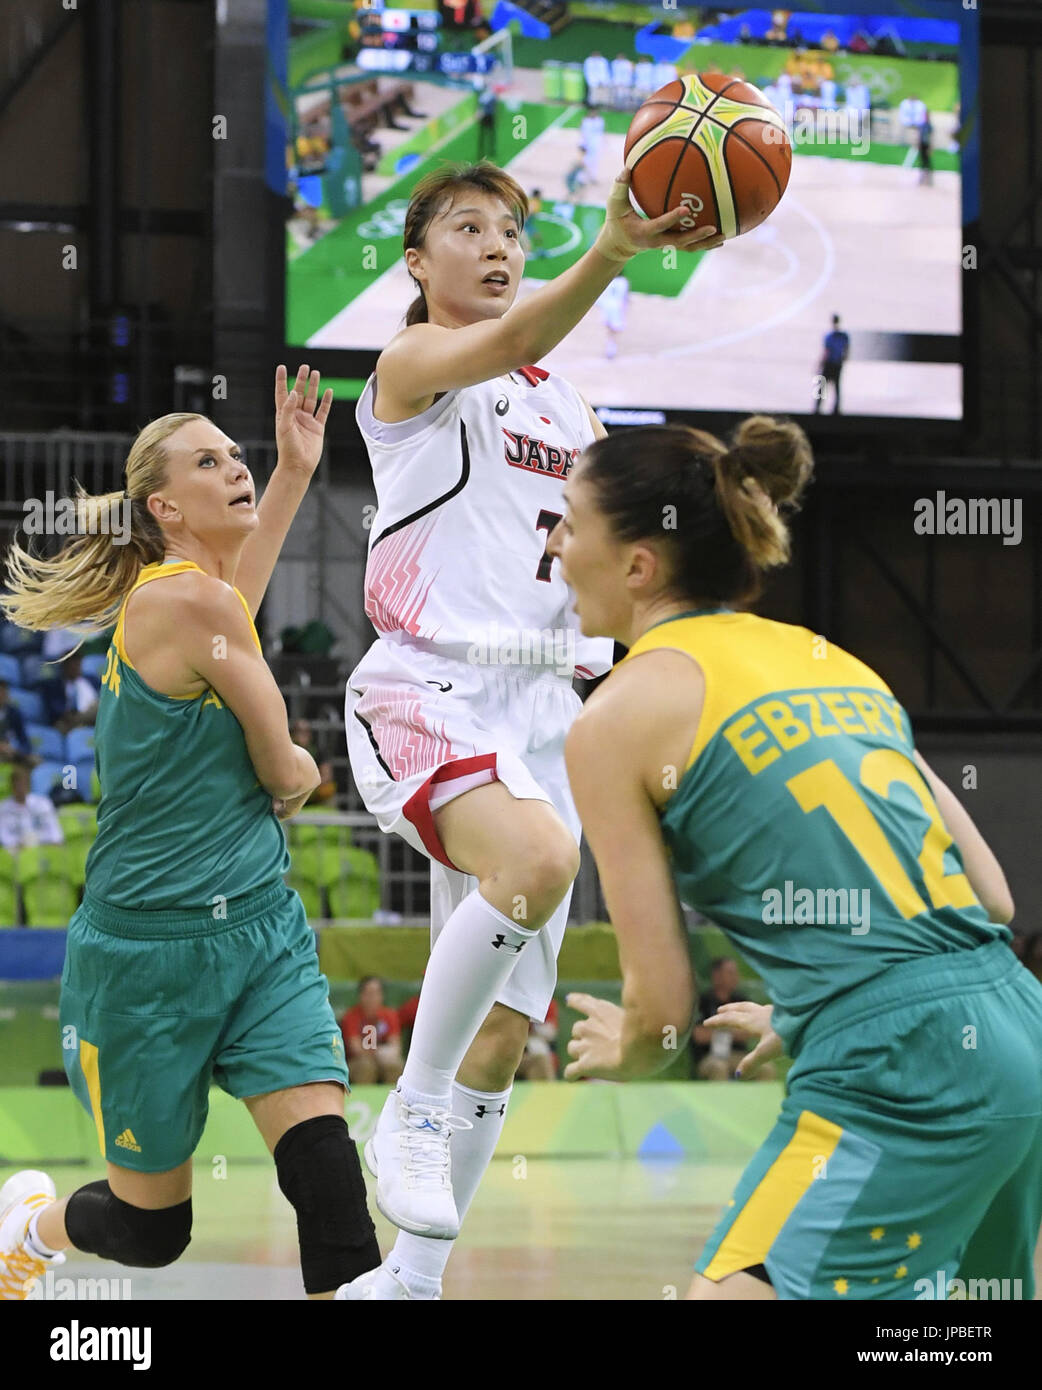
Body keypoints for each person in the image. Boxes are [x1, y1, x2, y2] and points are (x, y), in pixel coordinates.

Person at [340, 159, 724, 1300]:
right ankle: (404, 1107)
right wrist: (608, 252)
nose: (498, 245)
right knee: (539, 858)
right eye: (469, 228)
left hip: (547, 711)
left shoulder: (572, 409)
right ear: (417, 263)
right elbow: (496, 350)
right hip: (428, 681)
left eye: (512, 229)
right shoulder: (410, 372)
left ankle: (411, 1279)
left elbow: (609, 564)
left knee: (505, 1031)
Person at [548, 414, 1042, 1301]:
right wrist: (827, 1001)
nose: (552, 546)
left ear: (637, 565)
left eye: (568, 522)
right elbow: (992, 898)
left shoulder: (613, 720)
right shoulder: (835, 663)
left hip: (901, 1067)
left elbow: (664, 1018)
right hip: (1015, 1028)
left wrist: (628, 1048)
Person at [0, 365, 381, 1302]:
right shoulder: (184, 605)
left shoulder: (203, 607)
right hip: (144, 959)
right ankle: (30, 1230)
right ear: (165, 507)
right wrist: (293, 770)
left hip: (257, 931)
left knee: (328, 1179)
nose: (235, 466)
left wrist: (295, 469)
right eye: (209, 462)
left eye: (236, 455)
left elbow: (238, 625)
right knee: (150, 1231)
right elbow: (288, 768)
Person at [690, 956, 765, 1081]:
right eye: (730, 973)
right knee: (719, 1067)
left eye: (736, 973)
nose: (736, 977)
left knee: (765, 1068)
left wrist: (717, 1033)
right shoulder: (702, 1002)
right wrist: (734, 1032)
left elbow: (751, 1031)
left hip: (737, 1054)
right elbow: (699, 1036)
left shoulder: (741, 1000)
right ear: (717, 976)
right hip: (710, 1057)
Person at [340, 977, 404, 1085]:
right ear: (361, 995)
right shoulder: (351, 1017)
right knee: (365, 1066)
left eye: (376, 993)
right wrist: (379, 1053)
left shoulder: (390, 1015)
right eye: (369, 993)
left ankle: (394, 1098)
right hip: (357, 1061)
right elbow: (356, 1048)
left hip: (383, 1059)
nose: (373, 998)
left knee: (395, 1065)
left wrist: (386, 1054)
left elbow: (396, 1046)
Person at [0, 759, 63, 852]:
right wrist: (20, 844)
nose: (20, 788)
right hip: (17, 852)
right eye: (17, 784)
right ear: (12, 786)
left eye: (23, 784)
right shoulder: (3, 808)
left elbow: (55, 834)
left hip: (44, 848)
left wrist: (36, 840)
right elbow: (5, 837)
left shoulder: (43, 803)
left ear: (28, 784)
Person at [814, 313, 849, 415]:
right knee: (835, 386)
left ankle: (818, 408)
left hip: (830, 364)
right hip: (837, 364)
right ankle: (835, 408)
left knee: (824, 386)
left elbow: (827, 351)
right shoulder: (843, 336)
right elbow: (846, 350)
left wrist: (820, 364)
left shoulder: (830, 336)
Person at [596, 274, 629, 360]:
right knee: (615, 328)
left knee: (609, 327)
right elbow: (624, 296)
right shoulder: (623, 281)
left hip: (607, 306)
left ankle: (610, 345)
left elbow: (601, 295)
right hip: (617, 306)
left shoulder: (607, 279)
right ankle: (612, 346)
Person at [0, 682, 32, 762]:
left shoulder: (14, 713)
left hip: (11, 753)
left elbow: (25, 742)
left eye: (4, 693)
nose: (1, 696)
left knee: (34, 760)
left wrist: (16, 751)